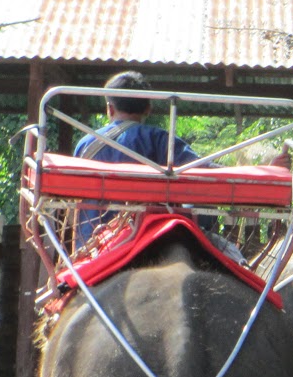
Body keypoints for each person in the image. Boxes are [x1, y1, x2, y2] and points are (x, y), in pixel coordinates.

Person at [73, 70, 199, 247]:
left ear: (109, 108)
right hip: (152, 241)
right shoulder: (162, 140)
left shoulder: (85, 144)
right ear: (148, 108)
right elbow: (202, 171)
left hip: (93, 244)